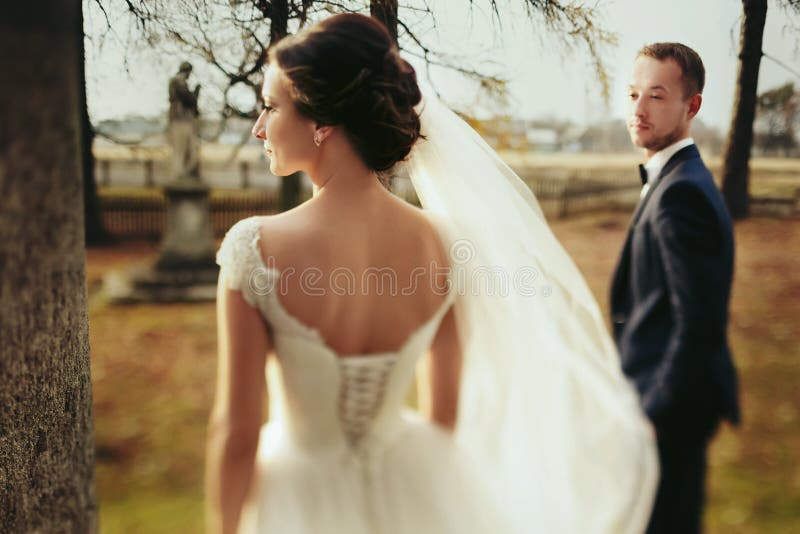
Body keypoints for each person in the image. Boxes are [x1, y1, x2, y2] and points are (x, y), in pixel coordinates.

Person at [206, 13, 658, 534]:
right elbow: (444, 415)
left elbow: (236, 433)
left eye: (269, 107)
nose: (259, 127)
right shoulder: (445, 244)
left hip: (298, 500)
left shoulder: (254, 249)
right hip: (415, 493)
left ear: (321, 121)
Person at [610, 42, 740, 534]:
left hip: (672, 414)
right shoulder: (670, 179)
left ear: (692, 106)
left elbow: (699, 324)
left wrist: (654, 414)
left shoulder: (682, 193)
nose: (638, 110)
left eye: (657, 96)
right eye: (633, 94)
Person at [168, 61, 201, 180]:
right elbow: (188, 99)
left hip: (184, 120)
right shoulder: (177, 81)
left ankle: (183, 176)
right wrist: (196, 94)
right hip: (180, 120)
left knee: (189, 152)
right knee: (181, 151)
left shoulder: (179, 82)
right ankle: (178, 177)